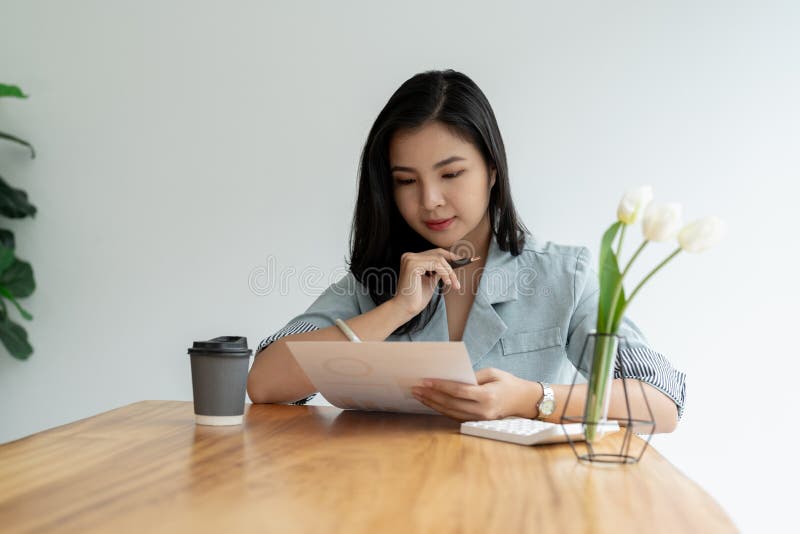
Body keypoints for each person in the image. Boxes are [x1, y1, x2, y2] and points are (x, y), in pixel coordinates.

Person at [247, 69, 686, 433]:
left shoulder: (565, 275)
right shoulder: (377, 280)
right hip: (393, 494)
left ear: (492, 169)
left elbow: (661, 401)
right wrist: (397, 309)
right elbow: (264, 383)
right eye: (406, 181)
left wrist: (530, 398)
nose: (430, 200)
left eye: (451, 174)